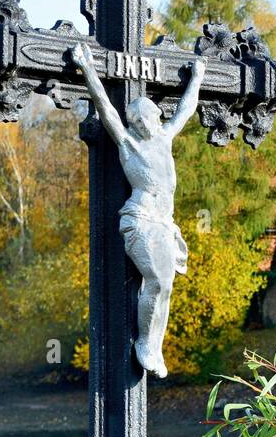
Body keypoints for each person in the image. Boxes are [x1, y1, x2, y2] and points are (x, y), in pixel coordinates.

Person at [70, 42, 206, 378]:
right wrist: (88, 69)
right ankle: (146, 343)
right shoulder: (130, 144)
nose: (145, 122)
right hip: (141, 219)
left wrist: (198, 78)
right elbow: (106, 110)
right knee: (157, 280)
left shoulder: (164, 139)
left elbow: (186, 110)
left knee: (167, 286)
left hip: (165, 222)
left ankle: (154, 346)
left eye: (148, 116)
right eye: (138, 118)